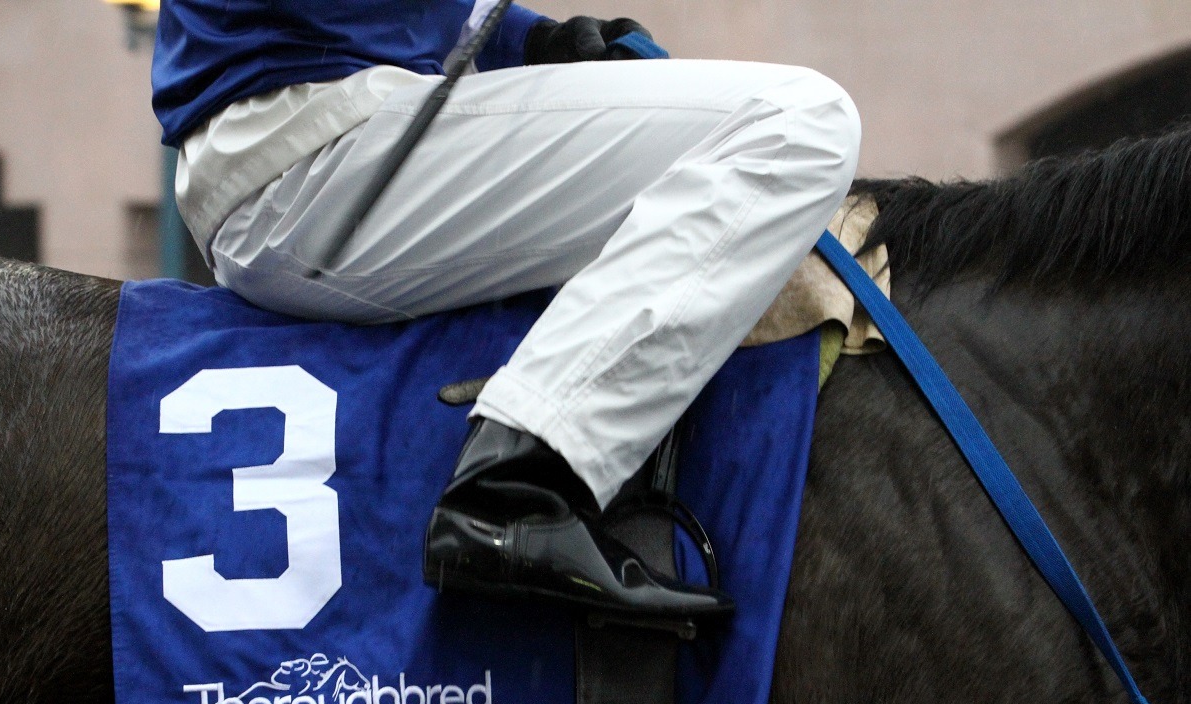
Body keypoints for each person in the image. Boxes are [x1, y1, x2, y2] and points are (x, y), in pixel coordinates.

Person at [152, 1, 861, 630]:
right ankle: (520, 485)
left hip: (304, 137)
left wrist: (529, 41)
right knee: (797, 123)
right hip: (318, 146)